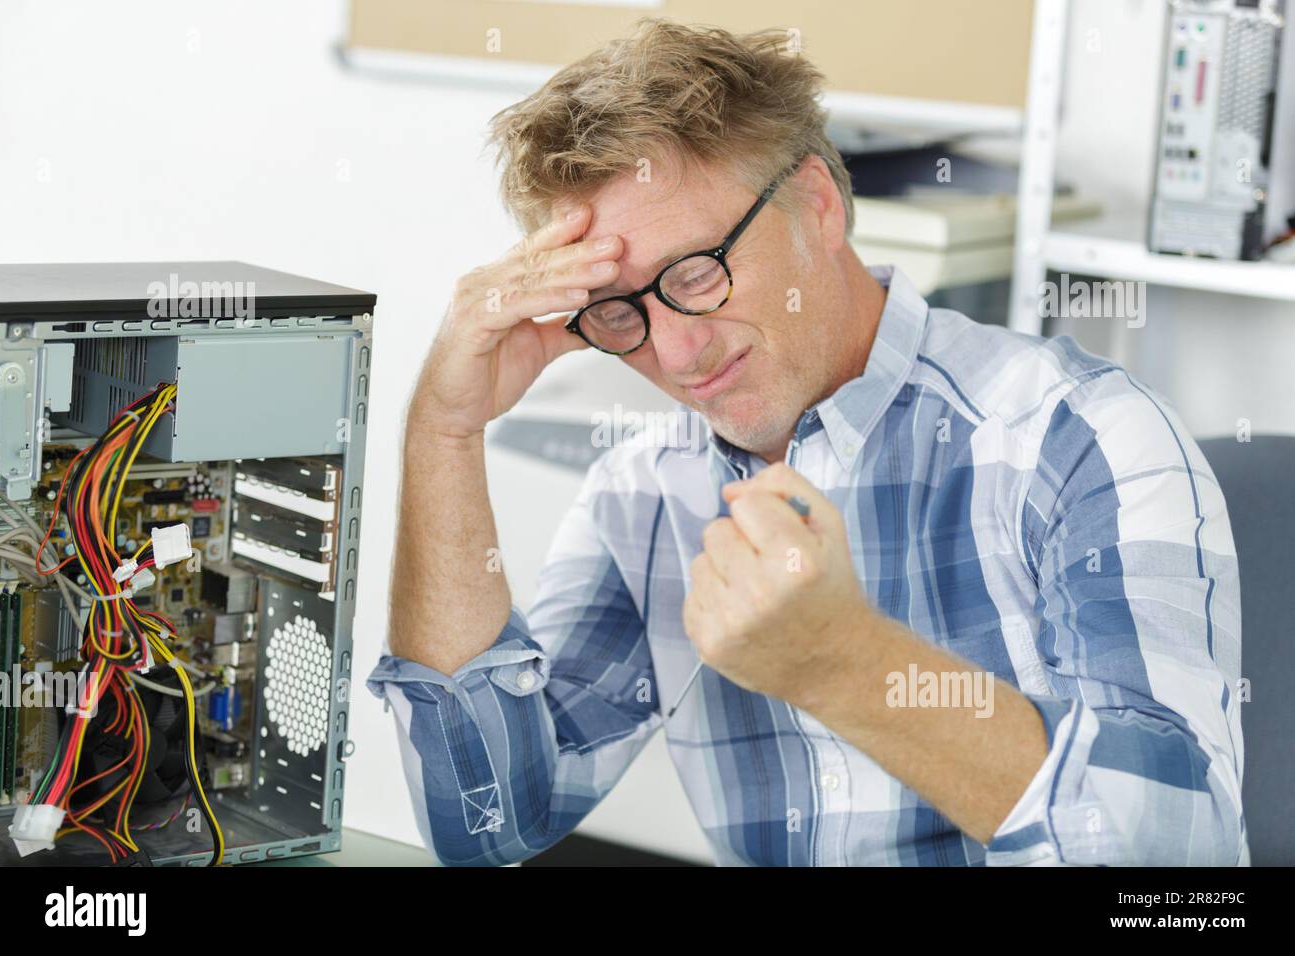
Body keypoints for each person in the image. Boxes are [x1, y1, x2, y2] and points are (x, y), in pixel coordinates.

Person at [367, 18, 1246, 866]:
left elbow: (1179, 865)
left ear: (817, 205)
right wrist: (443, 433)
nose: (676, 354)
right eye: (616, 310)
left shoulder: (1075, 438)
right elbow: (483, 827)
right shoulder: (642, 492)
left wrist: (844, 664)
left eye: (697, 274)